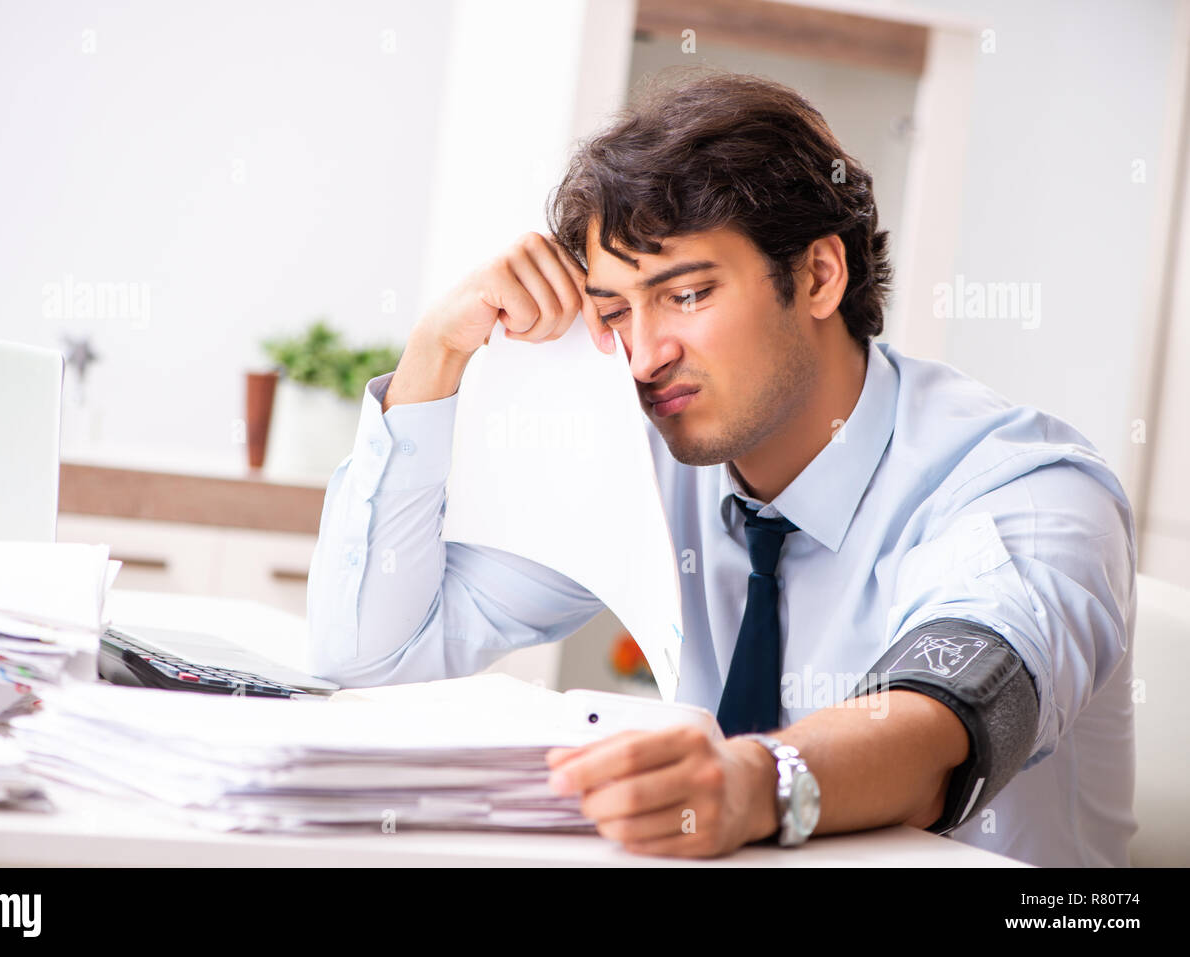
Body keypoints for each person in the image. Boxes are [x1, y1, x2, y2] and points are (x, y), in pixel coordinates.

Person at [306, 70, 1136, 866]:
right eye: (616, 311)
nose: (643, 356)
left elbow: (945, 721)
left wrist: (751, 783)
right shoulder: (651, 468)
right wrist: (432, 358)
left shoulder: (1024, 488)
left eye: (688, 295)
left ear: (818, 274)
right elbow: (375, 661)